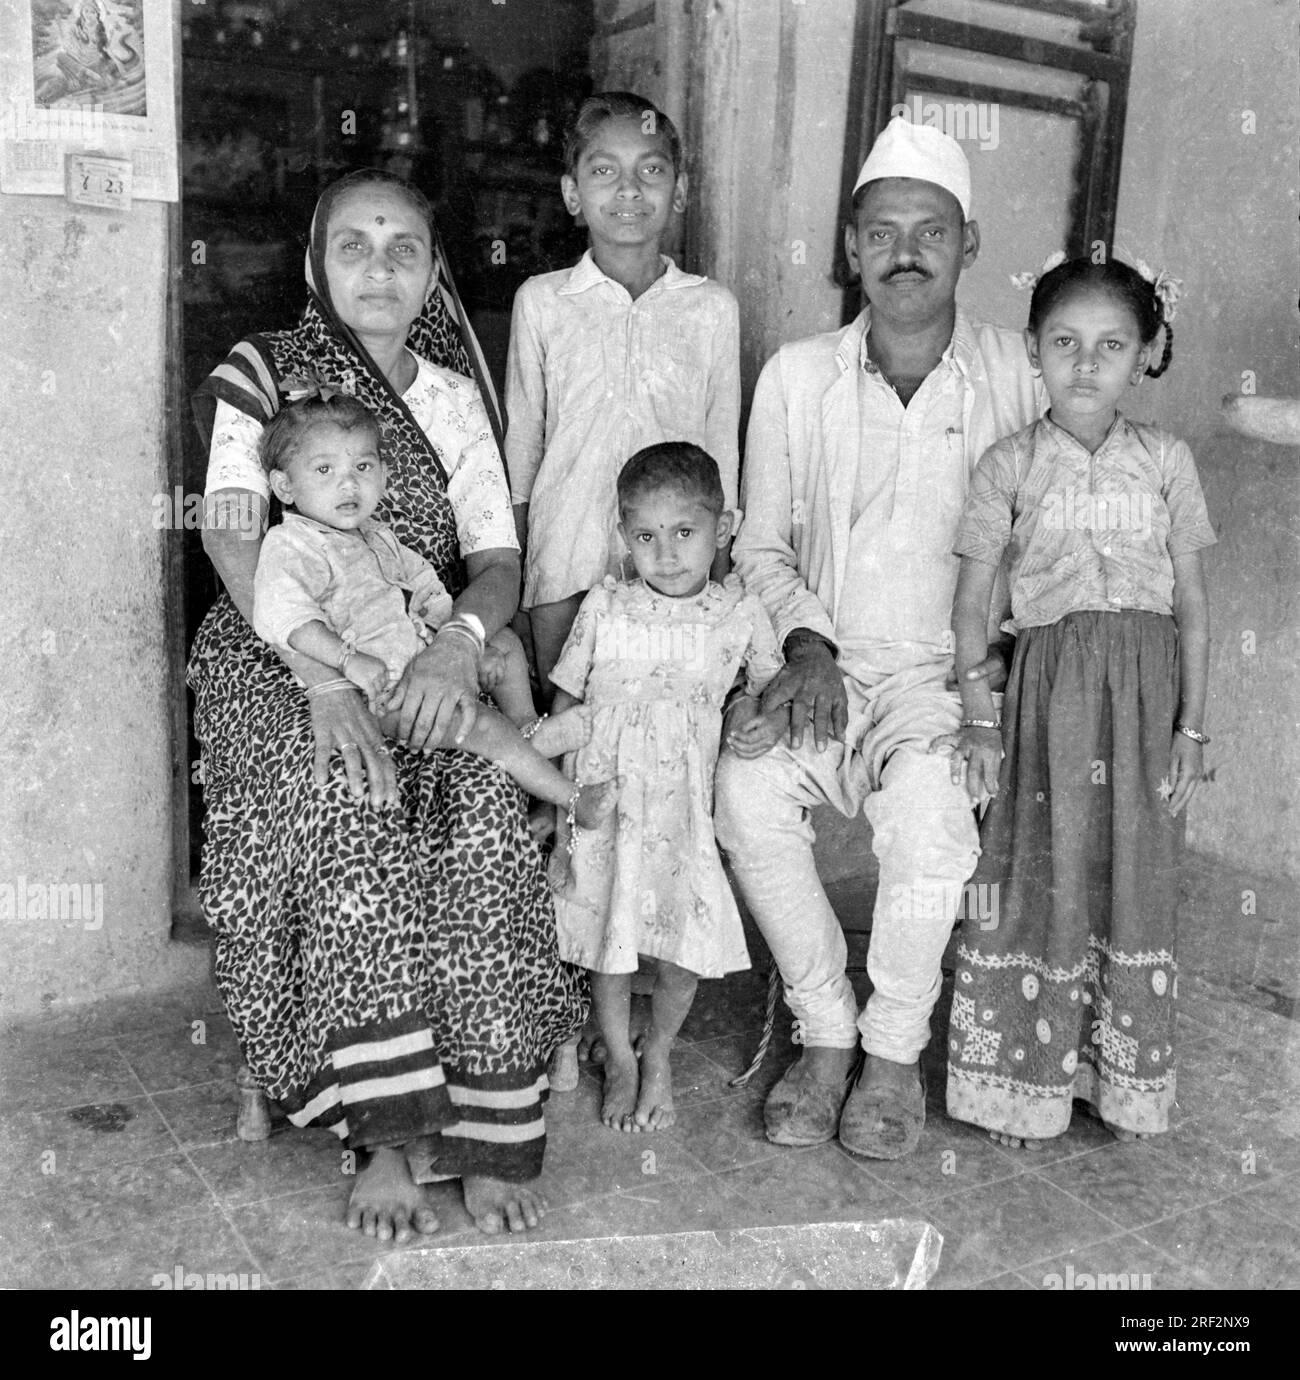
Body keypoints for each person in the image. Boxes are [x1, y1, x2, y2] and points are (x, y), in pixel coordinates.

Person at [189, 168, 585, 1242]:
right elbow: (231, 532)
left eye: (403, 247)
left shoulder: (454, 397)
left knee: (479, 815)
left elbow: (495, 556)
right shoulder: (261, 370)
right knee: (354, 807)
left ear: (432, 272)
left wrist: (458, 647)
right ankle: (385, 1135)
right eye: (353, 245)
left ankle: (496, 1135)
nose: (379, 266)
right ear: (318, 262)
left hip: (418, 649)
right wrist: (319, 680)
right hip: (275, 650)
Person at [714, 115, 1046, 1159]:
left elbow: (1048, 535)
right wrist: (803, 648)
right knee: (743, 793)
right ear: (850, 246)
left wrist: (995, 672)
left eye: (931, 230)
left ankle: (893, 1051)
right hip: (817, 662)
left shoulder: (1020, 374)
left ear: (968, 245)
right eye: (883, 230)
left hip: (946, 679)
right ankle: (823, 1033)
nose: (906, 251)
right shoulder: (796, 376)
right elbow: (758, 546)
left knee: (932, 823)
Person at [937, 253, 1213, 1146]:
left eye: (1110, 345)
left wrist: (1191, 729)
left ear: (1145, 356)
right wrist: (981, 716)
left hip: (1145, 692)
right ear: (1032, 352)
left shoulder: (1167, 460)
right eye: (1065, 343)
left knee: (1130, 874)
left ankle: (1118, 1082)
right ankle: (1022, 1084)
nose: (1086, 364)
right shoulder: (1009, 464)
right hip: (1049, 691)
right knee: (1032, 873)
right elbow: (972, 601)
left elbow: (1196, 605)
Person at [547, 443, 784, 1132]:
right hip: (607, 802)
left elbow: (762, 689)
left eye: (685, 532)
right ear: (623, 536)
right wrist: (558, 801)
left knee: (684, 942)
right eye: (646, 536)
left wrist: (750, 717)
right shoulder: (607, 603)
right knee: (609, 938)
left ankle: (661, 1053)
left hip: (686, 812)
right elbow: (566, 704)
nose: (667, 553)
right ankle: (621, 1054)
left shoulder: (737, 612)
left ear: (724, 527)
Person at [251, 386, 613, 824]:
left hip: (420, 659)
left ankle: (528, 729)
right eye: (324, 469)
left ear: (384, 476)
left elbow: (425, 588)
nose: (348, 483)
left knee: (503, 641)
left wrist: (463, 643)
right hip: (383, 692)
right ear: (284, 486)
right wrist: (347, 662)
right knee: (479, 724)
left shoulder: (378, 536)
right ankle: (569, 798)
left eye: (362, 466)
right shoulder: (293, 543)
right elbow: (285, 618)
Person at [505, 91, 741, 695]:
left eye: (651, 170)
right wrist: (519, 572)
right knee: (568, 724)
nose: (629, 189)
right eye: (604, 170)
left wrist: (717, 569)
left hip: (674, 566)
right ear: (571, 195)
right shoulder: (542, 300)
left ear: (680, 192)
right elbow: (523, 447)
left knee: (666, 726)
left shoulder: (711, 308)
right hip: (566, 560)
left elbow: (721, 447)